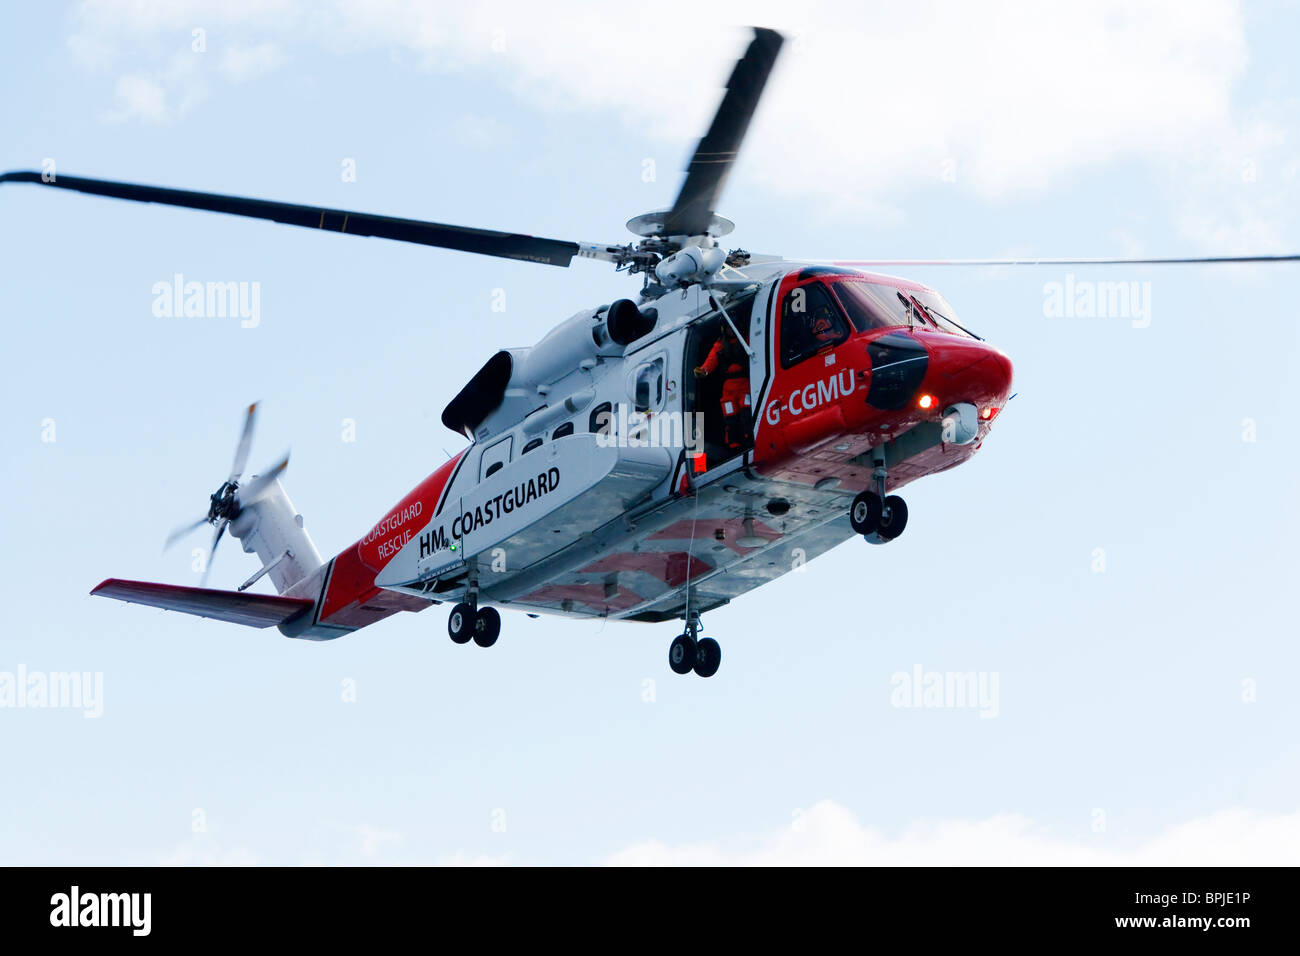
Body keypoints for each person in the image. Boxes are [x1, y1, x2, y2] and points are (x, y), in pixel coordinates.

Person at [694, 324, 751, 450]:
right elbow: (711, 360)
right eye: (728, 328)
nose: (730, 330)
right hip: (729, 387)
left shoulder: (746, 339)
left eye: (732, 327)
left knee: (746, 411)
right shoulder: (720, 344)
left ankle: (749, 437)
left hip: (744, 384)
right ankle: (733, 444)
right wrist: (703, 371)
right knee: (730, 416)